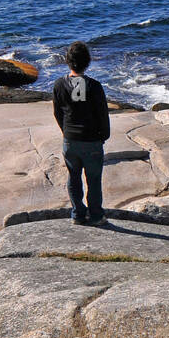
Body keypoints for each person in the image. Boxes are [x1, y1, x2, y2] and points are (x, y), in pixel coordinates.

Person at [51, 41, 110, 226]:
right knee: (93, 180)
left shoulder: (59, 84)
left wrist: (66, 132)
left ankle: (77, 214)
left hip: (70, 140)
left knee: (73, 177)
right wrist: (103, 136)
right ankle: (96, 216)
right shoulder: (94, 86)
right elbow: (102, 115)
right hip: (92, 141)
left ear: (68, 61)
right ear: (87, 62)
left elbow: (57, 113)